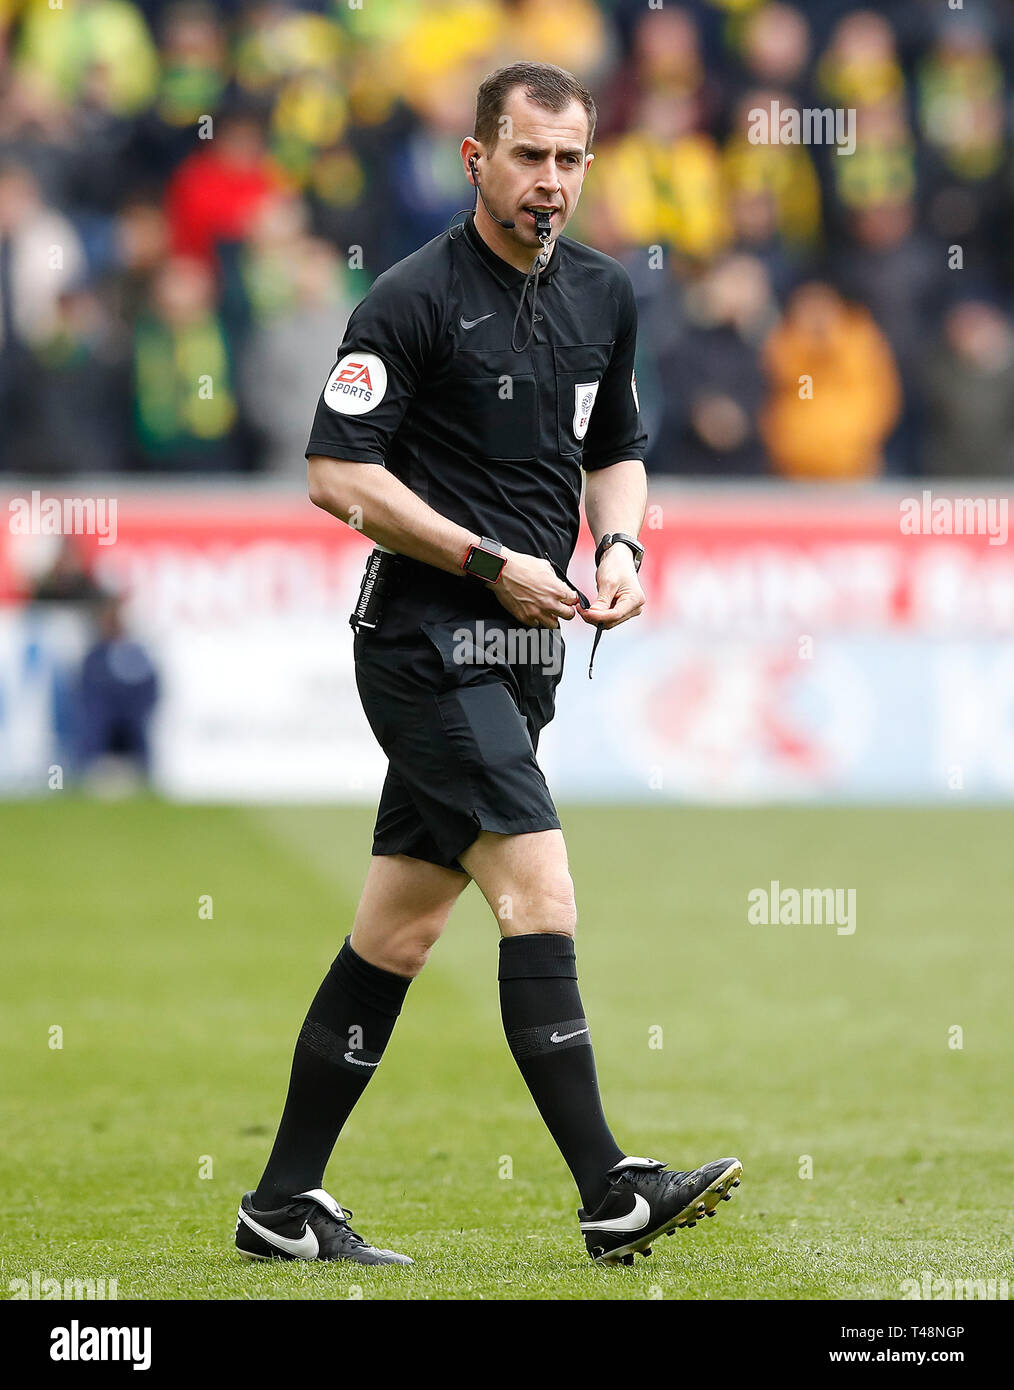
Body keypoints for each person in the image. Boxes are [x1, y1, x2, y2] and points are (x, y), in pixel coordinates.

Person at [236, 61, 742, 1271]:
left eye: (571, 160)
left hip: (523, 656)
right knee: (541, 892)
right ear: (478, 158)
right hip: (425, 643)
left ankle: (280, 1199)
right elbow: (336, 473)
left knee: (395, 937)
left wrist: (617, 546)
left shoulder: (607, 296)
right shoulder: (411, 299)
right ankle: (609, 1186)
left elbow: (618, 448)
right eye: (529, 157)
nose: (552, 182)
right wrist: (488, 560)